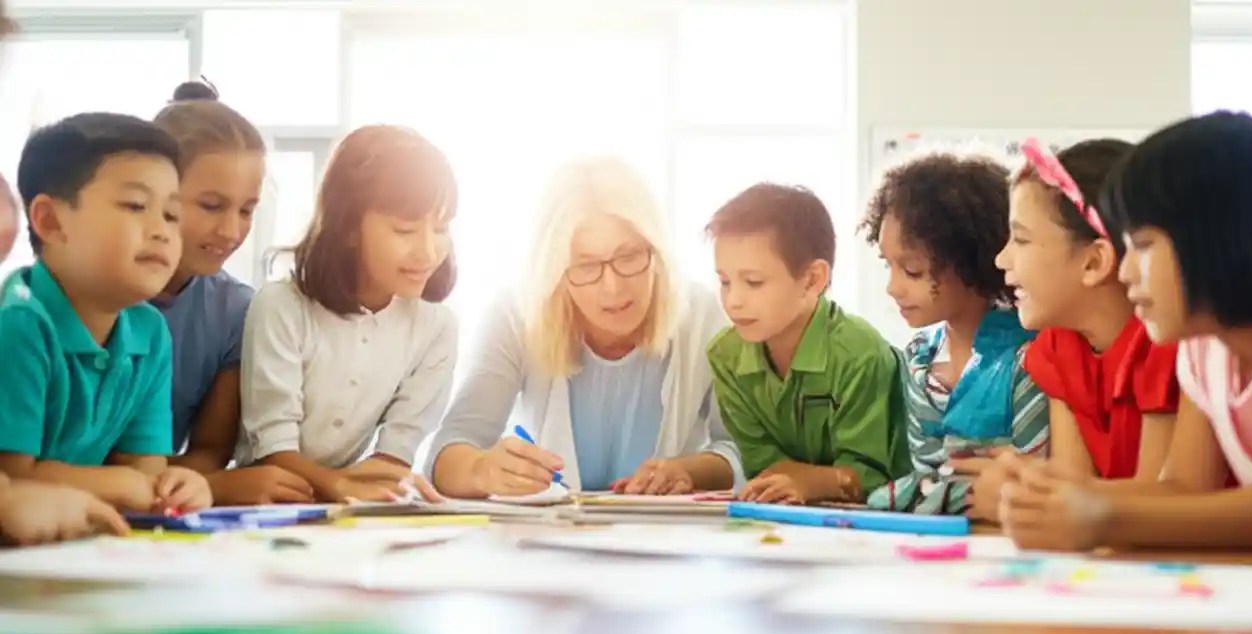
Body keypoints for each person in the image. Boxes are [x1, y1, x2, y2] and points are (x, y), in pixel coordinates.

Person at [1002, 112, 1252, 551]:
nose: (1126, 271)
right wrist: (1049, 498)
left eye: (1143, 246)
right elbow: (1184, 487)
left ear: (1216, 236)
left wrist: (1106, 515)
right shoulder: (1204, 352)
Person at [430, 156, 741, 497]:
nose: (613, 287)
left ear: (657, 251)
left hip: (666, 538)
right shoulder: (516, 314)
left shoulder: (702, 315)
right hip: (553, 538)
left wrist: (690, 471)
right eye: (585, 266)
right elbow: (448, 451)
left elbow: (741, 450)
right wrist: (482, 471)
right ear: (555, 271)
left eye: (628, 257)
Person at [0, 112, 211, 513]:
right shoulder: (17, 323)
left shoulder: (148, 332)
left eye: (171, 214)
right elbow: (9, 478)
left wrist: (178, 486)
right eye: (135, 205)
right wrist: (119, 484)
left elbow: (145, 468)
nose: (162, 231)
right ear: (50, 220)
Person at [238, 125, 455, 503]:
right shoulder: (281, 307)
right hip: (265, 500)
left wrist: (372, 484)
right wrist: (339, 484)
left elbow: (395, 454)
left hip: (349, 508)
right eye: (404, 230)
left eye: (439, 228)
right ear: (348, 227)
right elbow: (272, 450)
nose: (428, 251)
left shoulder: (436, 327)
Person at [148, 80, 312, 505]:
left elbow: (209, 450)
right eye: (211, 206)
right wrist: (215, 490)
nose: (231, 231)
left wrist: (198, 484)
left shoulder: (238, 310)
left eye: (246, 210)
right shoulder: (97, 299)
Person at [859, 153, 1046, 517]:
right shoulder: (918, 359)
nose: (892, 287)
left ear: (971, 260)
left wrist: (948, 488)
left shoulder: (1031, 354)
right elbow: (926, 473)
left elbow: (1032, 478)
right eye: (888, 265)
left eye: (912, 270)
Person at [708, 183, 910, 505]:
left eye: (753, 282)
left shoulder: (861, 355)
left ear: (812, 279)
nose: (733, 301)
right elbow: (762, 467)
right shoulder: (725, 356)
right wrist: (812, 480)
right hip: (793, 519)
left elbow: (873, 476)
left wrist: (815, 481)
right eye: (724, 281)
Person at [993, 139, 1179, 485]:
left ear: (1094, 262)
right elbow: (1072, 485)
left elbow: (1154, 507)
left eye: (1020, 240)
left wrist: (1042, 495)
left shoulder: (1166, 347)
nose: (1001, 260)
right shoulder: (1057, 347)